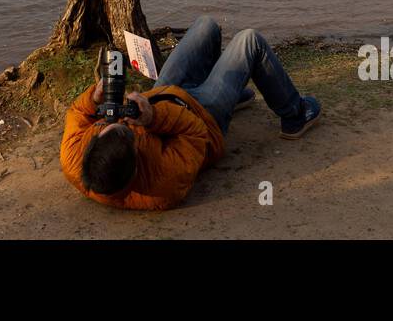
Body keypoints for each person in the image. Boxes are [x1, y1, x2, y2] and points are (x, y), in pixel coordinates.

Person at [59, 16, 321, 210]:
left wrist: (94, 98)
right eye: (127, 131)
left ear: (93, 144)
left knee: (206, 26)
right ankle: (295, 115)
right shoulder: (165, 185)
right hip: (205, 116)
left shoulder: (73, 160)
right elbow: (195, 133)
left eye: (111, 123)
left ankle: (229, 91)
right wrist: (151, 117)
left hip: (162, 94)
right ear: (136, 161)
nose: (121, 121)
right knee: (250, 40)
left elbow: (77, 113)